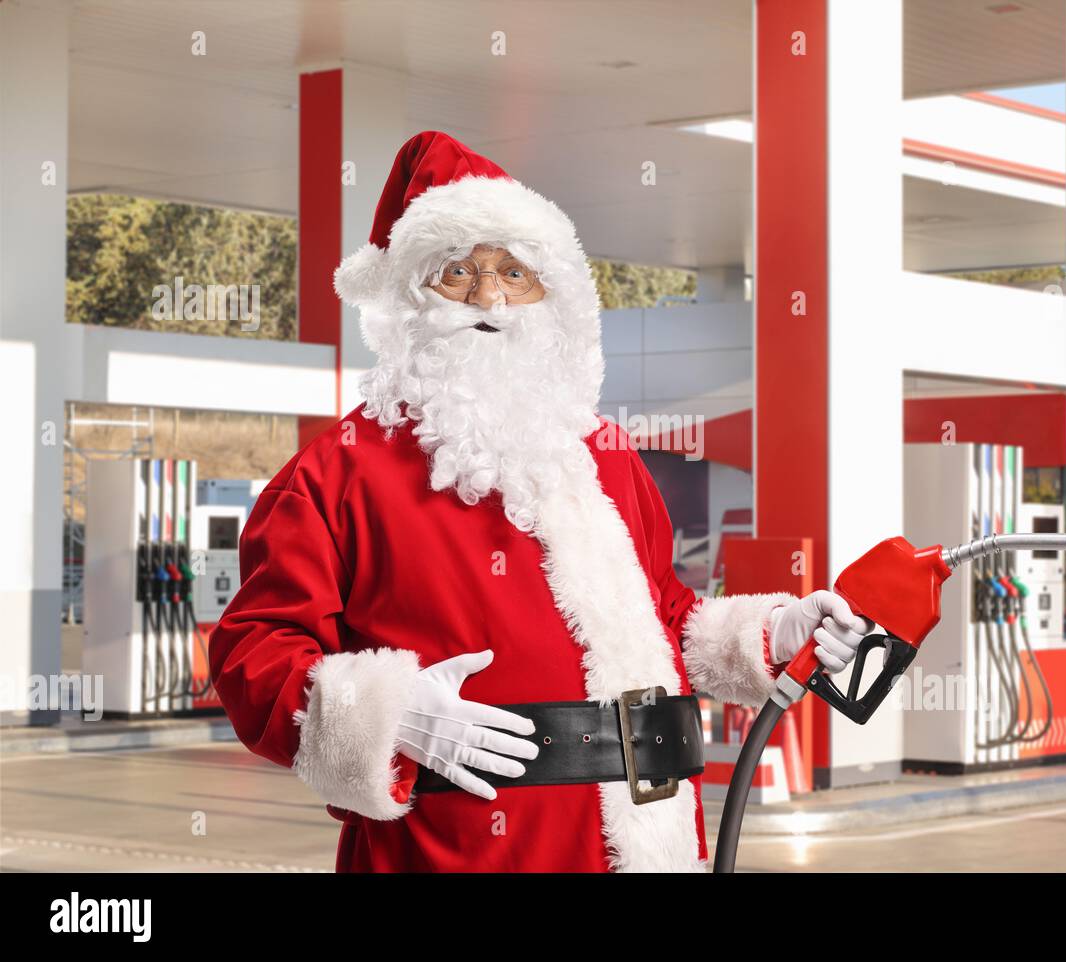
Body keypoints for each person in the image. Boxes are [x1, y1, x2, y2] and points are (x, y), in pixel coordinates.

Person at [209, 131, 869, 872]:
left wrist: (772, 632)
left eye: (516, 273)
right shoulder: (335, 474)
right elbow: (252, 653)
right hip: (451, 851)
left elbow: (667, 615)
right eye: (458, 271)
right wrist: (389, 715)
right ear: (408, 298)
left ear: (553, 296)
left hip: (641, 844)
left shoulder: (604, 455)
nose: (491, 298)